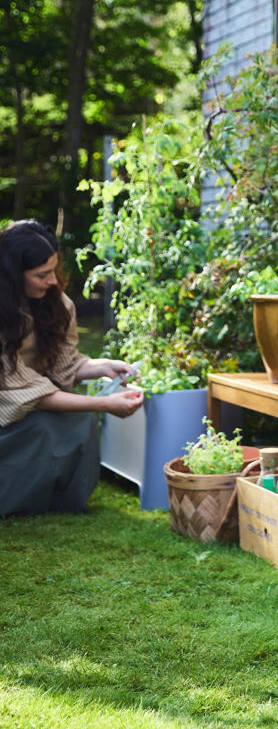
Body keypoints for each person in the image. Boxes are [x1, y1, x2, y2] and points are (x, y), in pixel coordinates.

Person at [0, 219, 144, 516]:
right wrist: (104, 403)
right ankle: (17, 501)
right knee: (42, 426)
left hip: (29, 397)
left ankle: (57, 501)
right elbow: (27, 391)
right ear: (13, 276)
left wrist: (103, 366)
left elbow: (65, 361)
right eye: (42, 274)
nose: (53, 280)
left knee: (77, 423)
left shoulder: (55, 303)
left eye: (54, 270)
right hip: (8, 406)